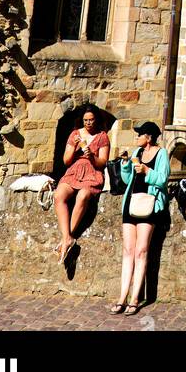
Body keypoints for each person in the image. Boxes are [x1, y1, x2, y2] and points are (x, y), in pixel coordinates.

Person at [110, 120, 170, 315]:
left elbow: (162, 179)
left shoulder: (161, 154)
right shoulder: (137, 153)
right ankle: (122, 297)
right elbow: (128, 180)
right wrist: (127, 164)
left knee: (141, 251)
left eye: (139, 135)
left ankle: (135, 298)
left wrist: (147, 171)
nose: (136, 137)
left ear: (149, 137)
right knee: (128, 250)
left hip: (149, 204)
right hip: (131, 203)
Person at [53, 105, 110, 265]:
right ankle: (67, 238)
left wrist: (91, 156)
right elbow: (66, 160)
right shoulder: (75, 134)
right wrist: (76, 148)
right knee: (59, 195)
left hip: (92, 172)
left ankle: (66, 238)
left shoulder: (102, 137)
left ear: (96, 119)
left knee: (84, 195)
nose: (88, 123)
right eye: (86, 120)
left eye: (91, 120)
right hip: (74, 171)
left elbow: (103, 162)